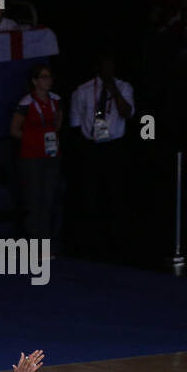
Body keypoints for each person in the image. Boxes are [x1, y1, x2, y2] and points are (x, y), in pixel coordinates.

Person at [68, 54, 134, 262]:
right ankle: (91, 244)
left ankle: (116, 243)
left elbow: (127, 112)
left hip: (114, 147)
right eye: (104, 66)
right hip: (92, 148)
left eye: (111, 66)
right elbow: (76, 122)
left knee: (115, 193)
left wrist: (112, 89)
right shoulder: (83, 90)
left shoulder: (124, 87)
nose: (108, 70)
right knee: (91, 194)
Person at [11, 63, 62, 243]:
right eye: (44, 77)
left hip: (51, 156)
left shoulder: (56, 99)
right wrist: (33, 141)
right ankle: (34, 242)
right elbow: (15, 130)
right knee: (33, 201)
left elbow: (57, 124)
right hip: (31, 158)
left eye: (49, 77)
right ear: (35, 81)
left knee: (48, 200)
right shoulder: (26, 102)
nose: (48, 81)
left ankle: (47, 242)